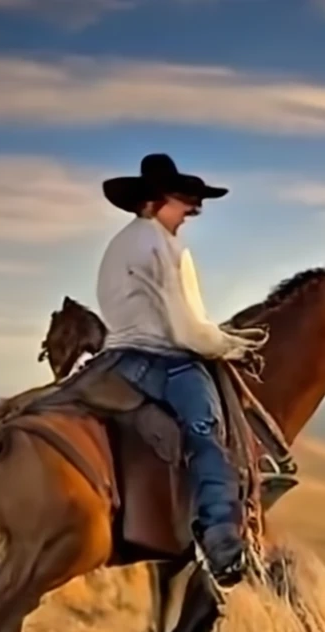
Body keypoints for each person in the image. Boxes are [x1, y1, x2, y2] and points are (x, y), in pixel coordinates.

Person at [95, 153, 270, 587]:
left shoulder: (124, 241)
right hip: (160, 358)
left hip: (118, 357)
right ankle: (220, 539)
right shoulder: (161, 247)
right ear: (156, 201)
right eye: (185, 201)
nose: (192, 210)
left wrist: (225, 339)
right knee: (206, 430)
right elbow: (187, 331)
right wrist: (230, 347)